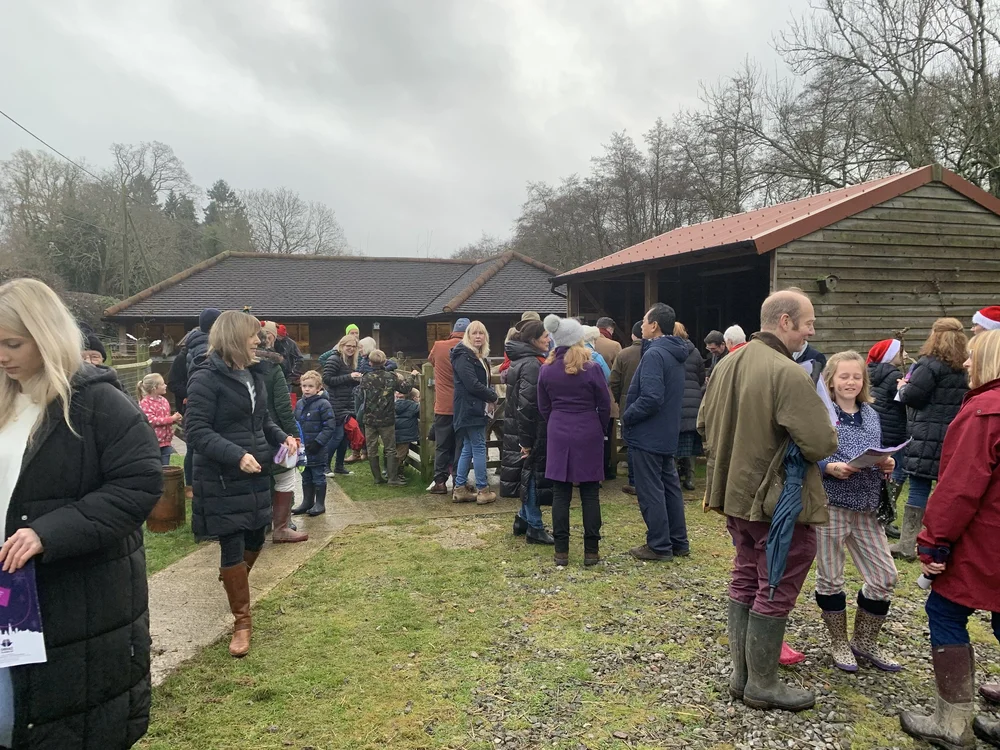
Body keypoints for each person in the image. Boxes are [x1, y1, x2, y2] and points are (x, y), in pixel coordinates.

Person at [0, 278, 163, 748]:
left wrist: (48, 534)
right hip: (11, 592)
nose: (4, 356)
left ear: (46, 336)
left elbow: (139, 484)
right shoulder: (6, 400)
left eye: (14, 343)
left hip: (77, 597)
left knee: (61, 721)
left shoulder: (98, 403)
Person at [698, 289, 838, 712]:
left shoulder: (726, 363)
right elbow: (820, 442)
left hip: (734, 496)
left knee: (745, 576)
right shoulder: (787, 372)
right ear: (784, 322)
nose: (812, 331)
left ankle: (741, 676)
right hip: (777, 503)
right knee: (775, 581)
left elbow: (704, 422)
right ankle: (762, 682)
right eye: (808, 323)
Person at [899, 329, 1000, 748]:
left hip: (985, 539)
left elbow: (959, 487)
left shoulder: (985, 413)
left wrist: (933, 541)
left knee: (944, 611)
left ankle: (952, 722)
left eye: (974, 357)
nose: (966, 364)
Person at [184, 310, 298, 658]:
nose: (259, 341)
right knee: (232, 542)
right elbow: (196, 431)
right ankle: (242, 622)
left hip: (256, 471)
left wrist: (283, 438)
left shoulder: (254, 375)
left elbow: (261, 420)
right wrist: (235, 455)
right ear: (235, 338)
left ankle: (234, 580)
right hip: (222, 476)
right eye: (253, 336)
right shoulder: (205, 378)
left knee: (256, 535)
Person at [814, 352, 900, 673]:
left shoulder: (872, 414)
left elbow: (876, 454)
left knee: (884, 576)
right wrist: (827, 466)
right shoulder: (821, 413)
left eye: (856, 377)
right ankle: (838, 641)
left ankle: (864, 641)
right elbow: (807, 452)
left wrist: (887, 463)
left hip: (866, 506)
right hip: (831, 504)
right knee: (831, 577)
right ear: (831, 380)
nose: (851, 382)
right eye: (844, 376)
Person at [892, 318, 969, 561]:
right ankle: (937, 544)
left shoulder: (929, 365)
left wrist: (903, 387)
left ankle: (907, 544)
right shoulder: (966, 367)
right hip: (955, 435)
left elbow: (914, 396)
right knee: (945, 491)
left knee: (918, 488)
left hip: (925, 436)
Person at [538, 315, 610, 566]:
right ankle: (591, 550)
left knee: (561, 493)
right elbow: (604, 403)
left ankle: (561, 550)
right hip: (588, 428)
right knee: (590, 493)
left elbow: (543, 405)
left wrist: (556, 422)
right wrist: (598, 427)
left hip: (559, 428)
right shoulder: (592, 368)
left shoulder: (546, 369)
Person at [622, 304, 690, 561]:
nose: (641, 324)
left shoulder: (654, 354)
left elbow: (651, 397)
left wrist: (628, 416)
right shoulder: (675, 351)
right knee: (670, 487)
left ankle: (659, 545)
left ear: (655, 325)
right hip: (667, 431)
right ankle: (678, 541)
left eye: (644, 319)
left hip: (648, 433)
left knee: (650, 489)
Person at [500, 320, 555, 545]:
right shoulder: (533, 364)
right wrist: (527, 440)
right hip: (531, 430)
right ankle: (535, 526)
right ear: (533, 339)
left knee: (526, 474)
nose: (549, 339)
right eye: (545, 336)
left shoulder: (521, 360)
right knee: (532, 475)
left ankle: (522, 519)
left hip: (522, 428)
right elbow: (527, 405)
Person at [255, 330, 307, 541]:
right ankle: (283, 525)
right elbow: (283, 407)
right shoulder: (271, 368)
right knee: (284, 475)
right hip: (275, 431)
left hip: (249, 434)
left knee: (260, 478)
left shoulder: (235, 367)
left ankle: (263, 523)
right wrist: (293, 434)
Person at [168, 307, 222, 498]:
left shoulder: (216, 350)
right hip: (192, 405)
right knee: (193, 446)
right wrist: (191, 394)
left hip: (201, 403)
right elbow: (173, 382)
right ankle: (190, 486)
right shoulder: (186, 354)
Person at [451, 321, 498, 504]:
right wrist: (492, 396)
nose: (478, 336)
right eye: (474, 333)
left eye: (481, 333)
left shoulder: (475, 356)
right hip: (470, 408)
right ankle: (482, 489)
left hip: (472, 407)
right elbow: (472, 384)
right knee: (479, 447)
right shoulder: (464, 356)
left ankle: (460, 488)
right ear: (467, 336)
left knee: (468, 447)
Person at [866, 339, 908, 537]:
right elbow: (904, 400)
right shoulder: (894, 376)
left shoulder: (873, 372)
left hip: (880, 426)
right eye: (902, 352)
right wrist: (906, 387)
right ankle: (885, 515)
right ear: (892, 355)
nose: (905, 355)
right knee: (896, 472)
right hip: (893, 429)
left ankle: (877, 510)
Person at [358, 350, 414, 486]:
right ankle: (392, 478)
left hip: (369, 419)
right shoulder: (391, 377)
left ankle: (377, 478)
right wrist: (412, 377)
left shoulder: (365, 377)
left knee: (372, 448)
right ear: (384, 362)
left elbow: (360, 395)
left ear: (370, 363)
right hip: (387, 419)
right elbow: (405, 389)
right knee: (390, 448)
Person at [427, 319, 469, 494]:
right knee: (462, 445)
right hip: (463, 406)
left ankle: (440, 482)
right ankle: (459, 482)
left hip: (443, 405)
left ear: (454, 330)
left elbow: (431, 361)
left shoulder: (438, 346)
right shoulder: (470, 348)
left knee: (442, 446)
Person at [292, 370, 337, 516]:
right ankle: (307, 501)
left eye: (310, 386)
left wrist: (318, 442)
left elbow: (329, 426)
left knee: (318, 475)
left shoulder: (323, 404)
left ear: (318, 388)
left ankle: (320, 504)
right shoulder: (299, 404)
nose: (306, 389)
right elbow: (295, 422)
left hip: (317, 447)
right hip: (303, 447)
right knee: (305, 475)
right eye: (304, 386)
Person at [610, 321, 643, 496]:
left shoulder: (623, 354)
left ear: (632, 335)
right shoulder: (656, 353)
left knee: (630, 442)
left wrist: (618, 399)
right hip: (650, 403)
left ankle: (633, 481)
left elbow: (614, 381)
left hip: (627, 402)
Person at [322, 335, 362, 474]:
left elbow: (346, 382)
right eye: (348, 346)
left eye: (353, 346)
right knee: (337, 435)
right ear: (341, 346)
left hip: (348, 402)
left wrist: (357, 379)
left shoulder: (351, 361)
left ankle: (339, 466)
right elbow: (327, 379)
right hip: (335, 402)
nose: (351, 349)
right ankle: (325, 465)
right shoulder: (334, 359)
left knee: (345, 436)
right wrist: (349, 377)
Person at [674, 322, 706, 493]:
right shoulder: (695, 352)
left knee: (674, 441)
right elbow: (701, 377)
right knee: (691, 442)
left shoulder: (668, 353)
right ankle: (691, 478)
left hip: (675, 401)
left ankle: (673, 477)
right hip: (693, 402)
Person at [138, 372, 182, 465]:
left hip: (166, 442)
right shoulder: (145, 403)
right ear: (154, 388)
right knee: (155, 467)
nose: (165, 385)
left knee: (166, 468)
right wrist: (171, 419)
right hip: (153, 443)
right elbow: (152, 421)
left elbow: (165, 419)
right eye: (162, 384)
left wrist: (175, 420)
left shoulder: (164, 401)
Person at [394, 389, 420, 484]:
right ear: (413, 398)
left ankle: (390, 472)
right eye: (418, 397)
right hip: (405, 436)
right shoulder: (414, 406)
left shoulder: (394, 404)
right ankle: (396, 475)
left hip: (394, 433)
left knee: (393, 453)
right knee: (400, 455)